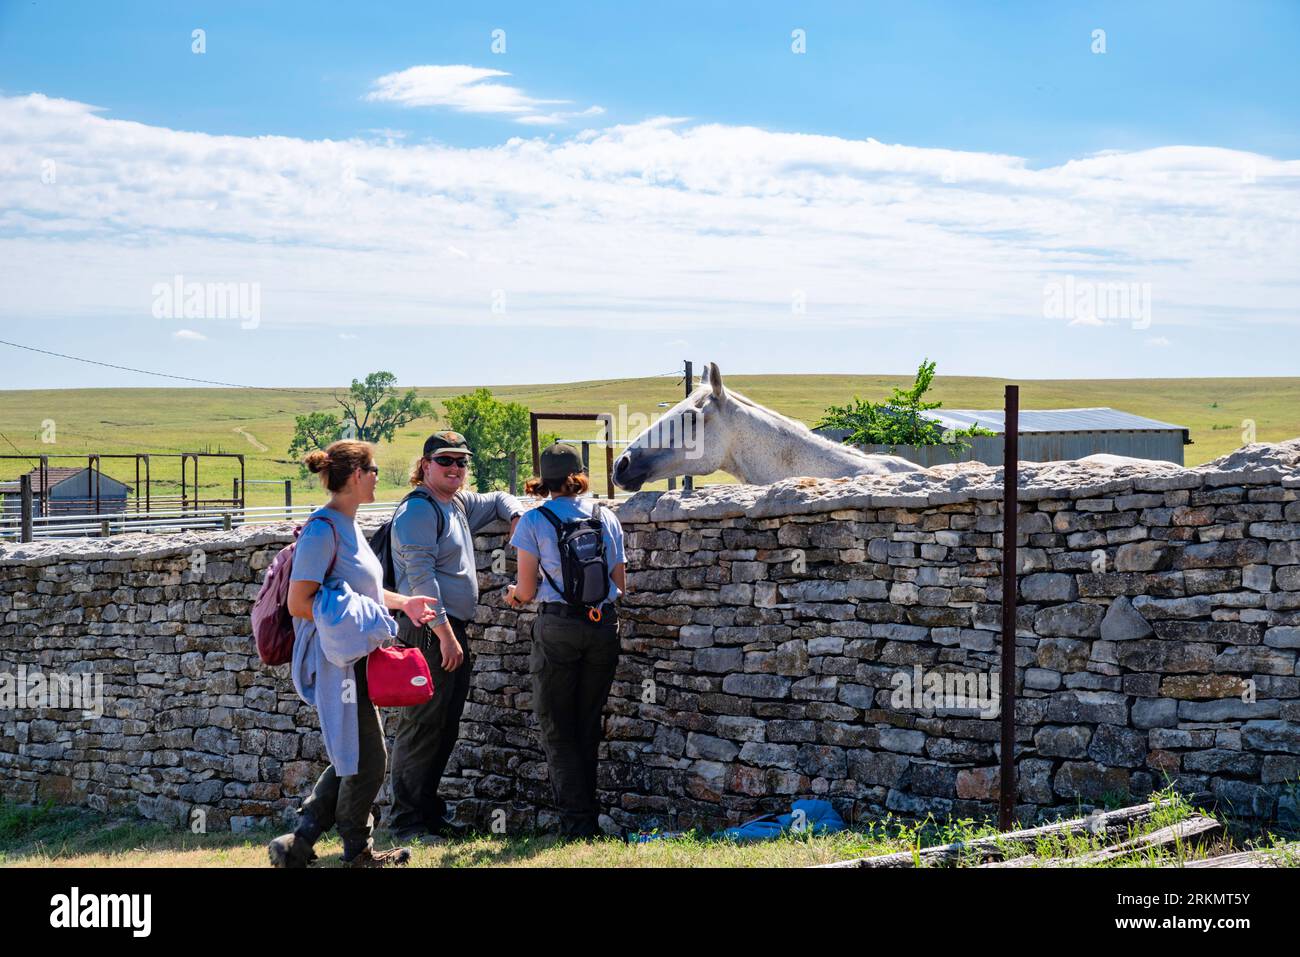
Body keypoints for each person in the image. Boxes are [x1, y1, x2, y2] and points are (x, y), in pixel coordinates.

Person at [267, 440, 438, 868]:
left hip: (359, 659)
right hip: (336, 661)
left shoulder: (349, 526)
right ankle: (356, 850)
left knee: (353, 752)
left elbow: (364, 591)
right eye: (374, 469)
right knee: (367, 758)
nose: (379, 476)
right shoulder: (322, 529)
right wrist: (353, 623)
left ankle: (299, 842)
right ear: (357, 475)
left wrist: (404, 604)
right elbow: (298, 600)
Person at [386, 430, 523, 842]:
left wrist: (517, 515)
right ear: (425, 465)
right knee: (422, 726)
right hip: (428, 628)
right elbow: (420, 577)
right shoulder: (418, 511)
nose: (455, 468)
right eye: (445, 461)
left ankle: (428, 814)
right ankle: (406, 823)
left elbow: (499, 497)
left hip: (446, 629)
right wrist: (445, 634)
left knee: (444, 726)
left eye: (462, 461)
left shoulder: (457, 502)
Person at [505, 442, 626, 839]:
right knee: (588, 723)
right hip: (602, 625)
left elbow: (525, 589)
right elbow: (619, 583)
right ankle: (588, 819)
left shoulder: (534, 521)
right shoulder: (605, 517)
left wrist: (513, 594)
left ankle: (578, 826)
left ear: (544, 480)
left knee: (557, 726)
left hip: (557, 628)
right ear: (579, 475)